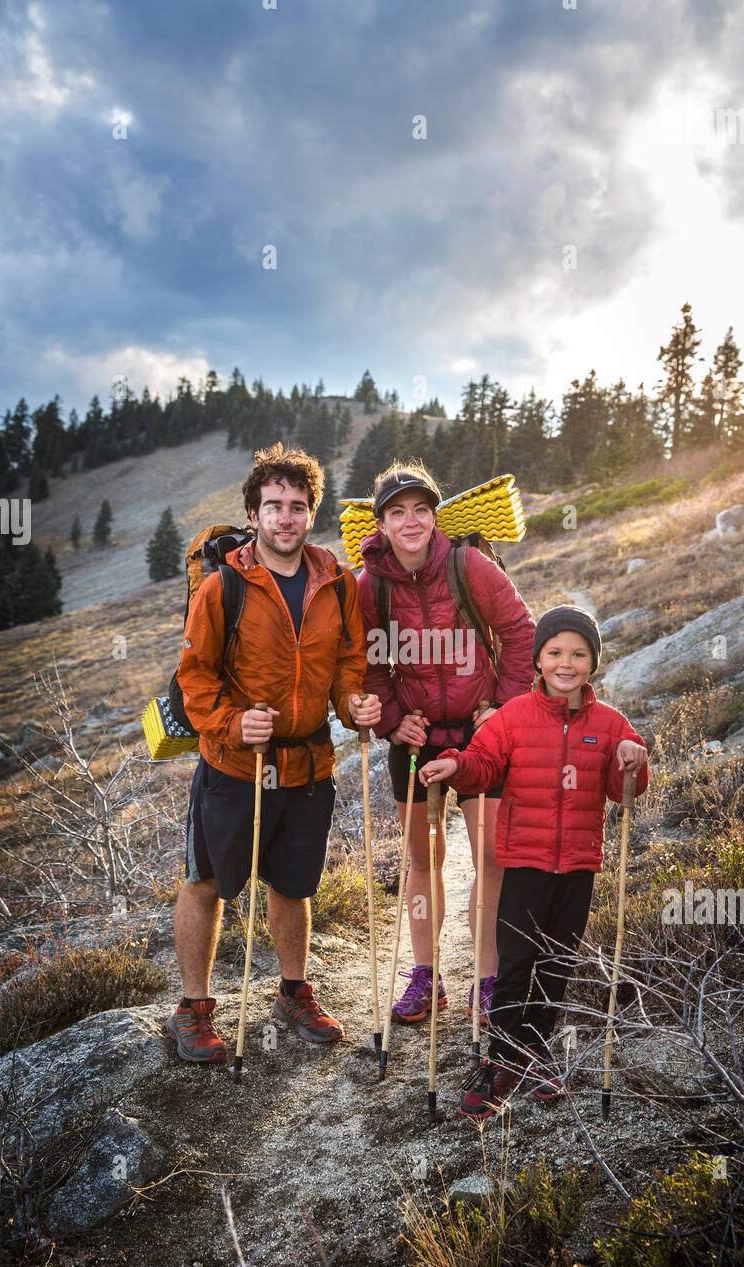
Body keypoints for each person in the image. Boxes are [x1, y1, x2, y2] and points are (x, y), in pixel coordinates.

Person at [166, 444, 381, 1063]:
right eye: (273, 507)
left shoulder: (336, 581)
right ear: (254, 514)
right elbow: (195, 677)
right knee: (207, 881)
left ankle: (293, 991)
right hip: (233, 766)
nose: (285, 518)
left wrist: (352, 706)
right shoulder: (222, 586)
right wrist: (234, 724)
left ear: (311, 512)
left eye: (297, 506)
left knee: (292, 882)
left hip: (308, 766)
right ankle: (194, 1007)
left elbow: (347, 662)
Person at [419, 605, 649, 1119]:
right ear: (539, 659)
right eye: (555, 653)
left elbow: (621, 790)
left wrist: (634, 758)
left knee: (556, 963)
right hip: (524, 861)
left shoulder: (611, 724)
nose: (565, 663)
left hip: (579, 865)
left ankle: (538, 1051)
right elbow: (482, 765)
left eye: (578, 654)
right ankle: (500, 1058)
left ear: (592, 663)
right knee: (517, 962)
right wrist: (453, 764)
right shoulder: (514, 717)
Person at [357, 461, 535, 1027]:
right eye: (397, 512)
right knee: (422, 859)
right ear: (381, 523)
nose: (411, 521)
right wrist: (389, 720)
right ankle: (426, 978)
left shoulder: (467, 563)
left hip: (481, 739)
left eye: (420, 509)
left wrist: (501, 708)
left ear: (435, 515)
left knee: (490, 858)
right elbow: (364, 661)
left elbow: (520, 632)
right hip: (415, 742)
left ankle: (487, 979)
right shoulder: (369, 585)